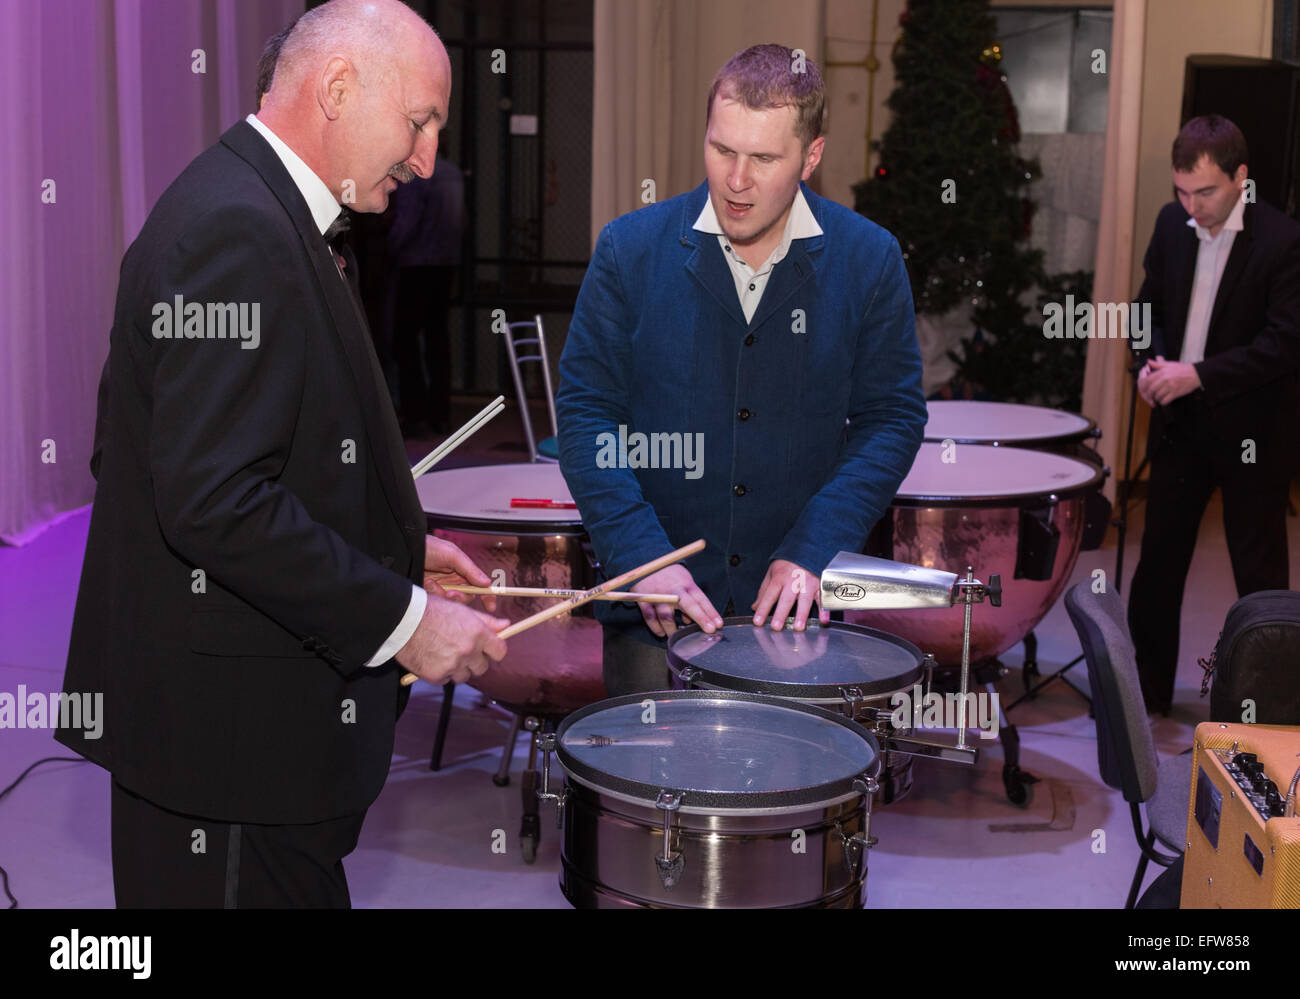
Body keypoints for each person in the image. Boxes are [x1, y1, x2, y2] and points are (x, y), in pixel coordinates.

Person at [56, 0, 508, 908]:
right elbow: (214, 499)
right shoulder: (240, 230)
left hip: (232, 753)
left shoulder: (252, 206)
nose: (426, 160)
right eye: (419, 122)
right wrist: (402, 618)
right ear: (338, 87)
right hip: (226, 762)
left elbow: (147, 450)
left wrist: (392, 548)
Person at [557, 44, 927, 695]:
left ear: (811, 156)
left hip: (796, 621)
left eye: (763, 158)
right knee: (646, 797)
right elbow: (588, 416)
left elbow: (891, 419)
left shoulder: (869, 259)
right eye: (722, 150)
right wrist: (643, 555)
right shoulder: (628, 250)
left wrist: (815, 546)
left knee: (789, 794)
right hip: (656, 620)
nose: (736, 180)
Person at [1128, 114, 1300, 714]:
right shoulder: (1172, 224)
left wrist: (1197, 373)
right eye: (1181, 190)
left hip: (1255, 429)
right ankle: (1145, 699)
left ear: (1241, 178)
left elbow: (1283, 344)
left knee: (1259, 573)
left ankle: (1269, 707)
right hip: (1181, 421)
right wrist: (1146, 366)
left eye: (1205, 192)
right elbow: (1146, 308)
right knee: (1157, 565)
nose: (1190, 206)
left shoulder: (1282, 239)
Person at [389, 146, 466, 435]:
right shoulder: (453, 174)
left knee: (405, 340)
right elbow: (461, 219)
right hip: (445, 263)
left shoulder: (416, 175)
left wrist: (388, 250)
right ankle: (440, 414)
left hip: (416, 264)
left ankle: (415, 414)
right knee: (438, 339)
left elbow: (407, 223)